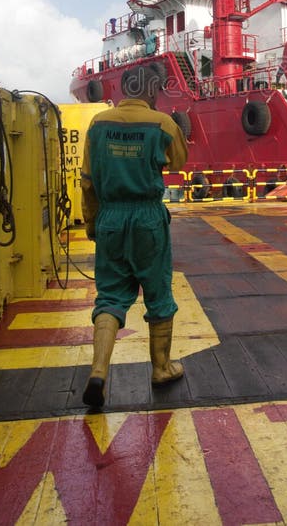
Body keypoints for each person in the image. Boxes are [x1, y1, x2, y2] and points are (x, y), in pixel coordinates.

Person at [81, 61, 189, 409]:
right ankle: (161, 368)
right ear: (152, 90)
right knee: (158, 293)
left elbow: (87, 180)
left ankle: (98, 371)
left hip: (110, 216)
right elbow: (178, 163)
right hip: (146, 218)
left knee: (110, 296)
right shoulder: (163, 123)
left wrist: (92, 222)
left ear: (121, 88)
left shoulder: (97, 124)